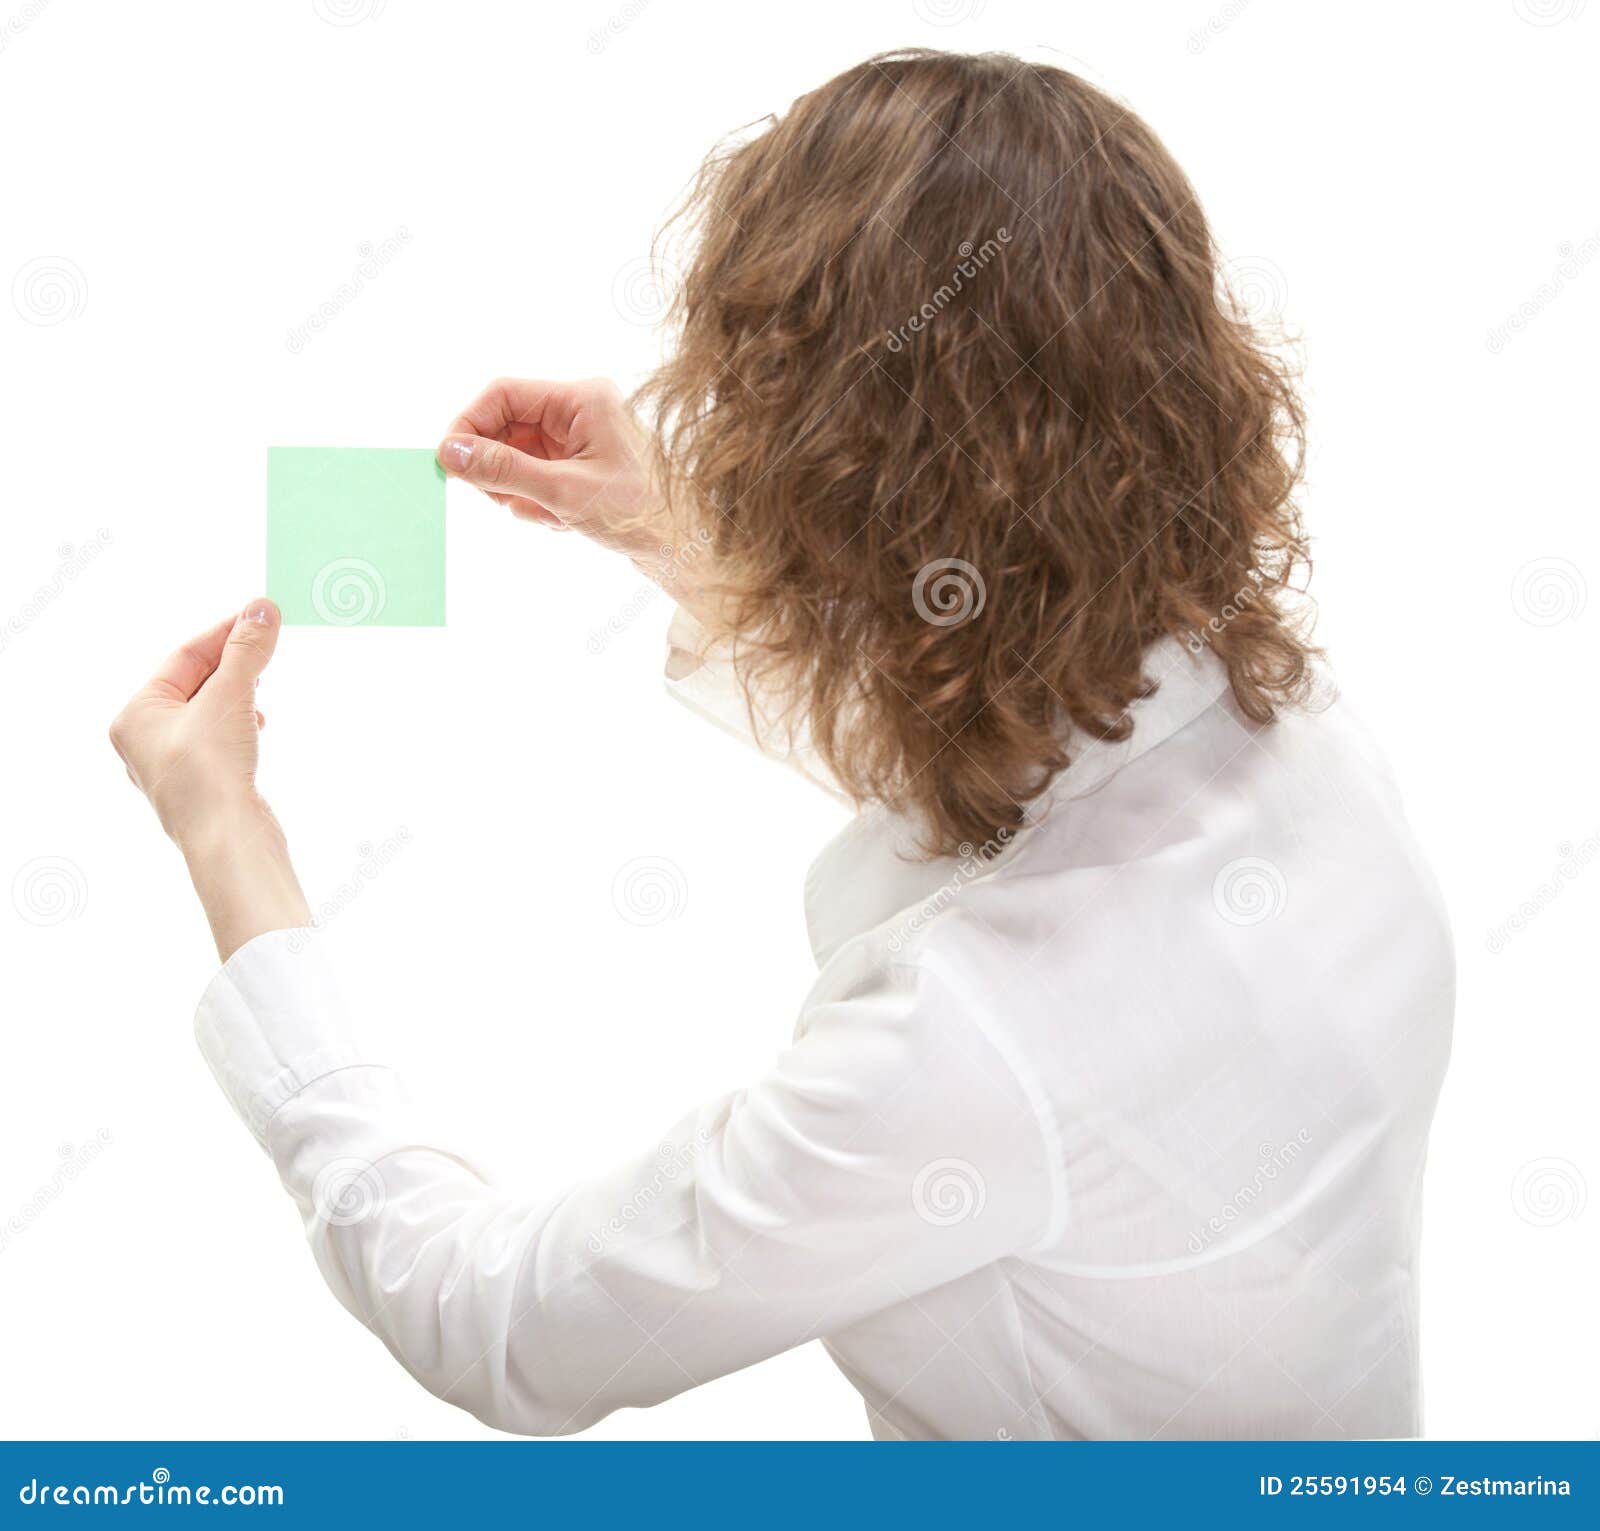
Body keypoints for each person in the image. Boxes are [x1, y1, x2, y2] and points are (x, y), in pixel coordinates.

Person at [108, 50, 1453, 1440]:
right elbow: (1034, 766)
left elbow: (498, 1325)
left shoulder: (963, 1045)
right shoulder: (1297, 736)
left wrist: (229, 836)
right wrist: (681, 535)